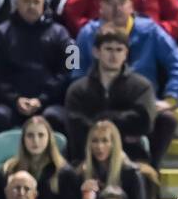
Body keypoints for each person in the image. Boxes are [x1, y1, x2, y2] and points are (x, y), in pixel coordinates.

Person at [0, 0, 73, 136]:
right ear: (17, 3)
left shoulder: (62, 34)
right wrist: (15, 99)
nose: (31, 6)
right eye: (26, 1)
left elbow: (71, 69)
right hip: (10, 104)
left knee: (56, 118)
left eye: (36, 2)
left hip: (49, 103)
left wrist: (42, 99)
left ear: (44, 4)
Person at [64, 26, 164, 165]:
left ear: (126, 53)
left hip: (131, 158)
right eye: (108, 49)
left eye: (119, 50)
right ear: (96, 52)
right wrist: (123, 125)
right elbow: (76, 128)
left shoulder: (141, 86)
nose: (114, 55)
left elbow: (144, 122)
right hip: (87, 159)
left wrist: (102, 118)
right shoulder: (78, 89)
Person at [0, 113, 82, 199]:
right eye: (30, 135)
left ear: (49, 139)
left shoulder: (65, 173)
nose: (35, 141)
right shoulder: (5, 171)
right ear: (23, 139)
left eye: (41, 135)